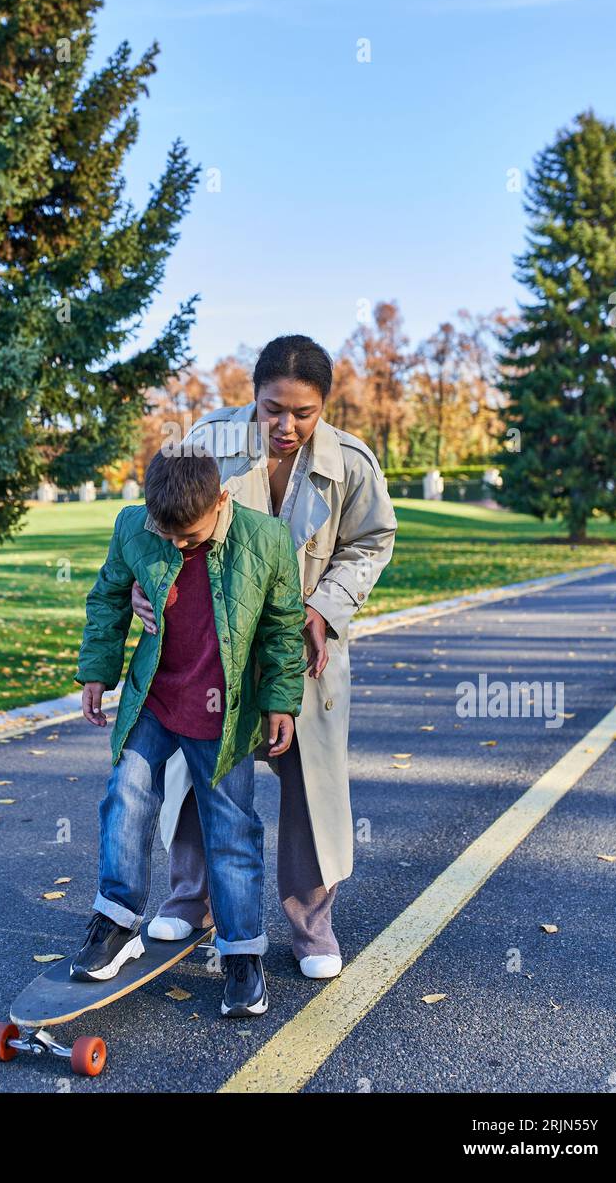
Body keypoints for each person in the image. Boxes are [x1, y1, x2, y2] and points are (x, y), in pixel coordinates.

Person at [136, 335, 398, 978]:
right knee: (203, 768)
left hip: (304, 652)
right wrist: (147, 586)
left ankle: (312, 927)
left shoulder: (353, 464)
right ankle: (190, 897)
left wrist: (326, 606)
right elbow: (158, 522)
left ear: (323, 407)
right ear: (253, 397)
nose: (285, 426)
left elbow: (370, 544)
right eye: (272, 408)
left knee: (310, 785)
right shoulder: (208, 441)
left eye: (302, 413)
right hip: (210, 643)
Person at [73, 447, 307, 1016]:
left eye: (189, 533)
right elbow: (108, 598)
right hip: (155, 697)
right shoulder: (134, 526)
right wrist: (97, 672)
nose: (175, 544)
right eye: (165, 532)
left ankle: (242, 954)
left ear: (222, 501)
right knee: (124, 796)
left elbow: (282, 629)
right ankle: (118, 922)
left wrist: (281, 703)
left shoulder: (268, 541)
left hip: (222, 713)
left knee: (230, 828)